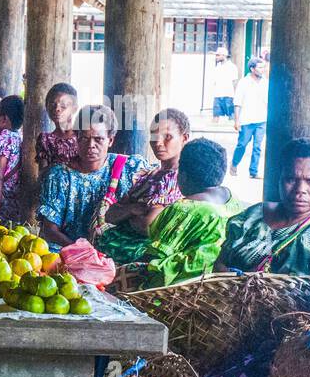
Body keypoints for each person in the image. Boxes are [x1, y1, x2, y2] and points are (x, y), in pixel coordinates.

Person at [129, 138, 243, 288]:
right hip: (215, 284)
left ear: (183, 175)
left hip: (177, 287)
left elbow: (155, 256)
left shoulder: (185, 209)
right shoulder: (232, 200)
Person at [37, 104, 151, 248]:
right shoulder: (59, 176)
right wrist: (84, 252)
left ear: (110, 140)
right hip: (68, 251)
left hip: (113, 252)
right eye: (84, 138)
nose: (91, 145)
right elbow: (50, 230)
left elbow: (159, 189)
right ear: (76, 138)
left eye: (98, 139)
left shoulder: (129, 168)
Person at [95, 108, 191, 265]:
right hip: (112, 256)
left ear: (184, 138)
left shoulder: (180, 180)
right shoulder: (148, 175)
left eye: (167, 136)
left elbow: (148, 225)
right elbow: (110, 215)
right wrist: (133, 210)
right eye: (154, 136)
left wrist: (125, 214)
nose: (158, 142)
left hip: (140, 262)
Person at [217, 137, 310, 275]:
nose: (300, 189)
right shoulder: (253, 216)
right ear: (279, 179)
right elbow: (220, 264)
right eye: (290, 179)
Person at [0, 95, 25, 222]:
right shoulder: (17, 137)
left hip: (1, 208)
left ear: (4, 118)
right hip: (14, 209)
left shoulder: (5, 136)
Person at [233, 57, 269, 179]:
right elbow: (237, 102)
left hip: (262, 120)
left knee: (257, 147)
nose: (263, 70)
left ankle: (253, 172)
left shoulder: (266, 82)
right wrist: (236, 120)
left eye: (263, 67)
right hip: (247, 120)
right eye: (260, 67)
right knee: (242, 144)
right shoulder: (243, 82)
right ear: (252, 69)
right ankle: (234, 163)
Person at [35, 82, 79, 172]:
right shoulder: (45, 140)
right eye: (52, 104)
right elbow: (43, 175)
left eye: (63, 105)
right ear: (47, 107)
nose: (57, 109)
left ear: (74, 108)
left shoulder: (83, 137)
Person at [209, 46, 239, 127]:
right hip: (217, 95)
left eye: (218, 55)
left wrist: (235, 96)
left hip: (228, 95)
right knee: (215, 115)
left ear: (224, 55)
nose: (216, 57)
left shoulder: (232, 67)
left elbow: (234, 82)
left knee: (231, 116)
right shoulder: (217, 67)